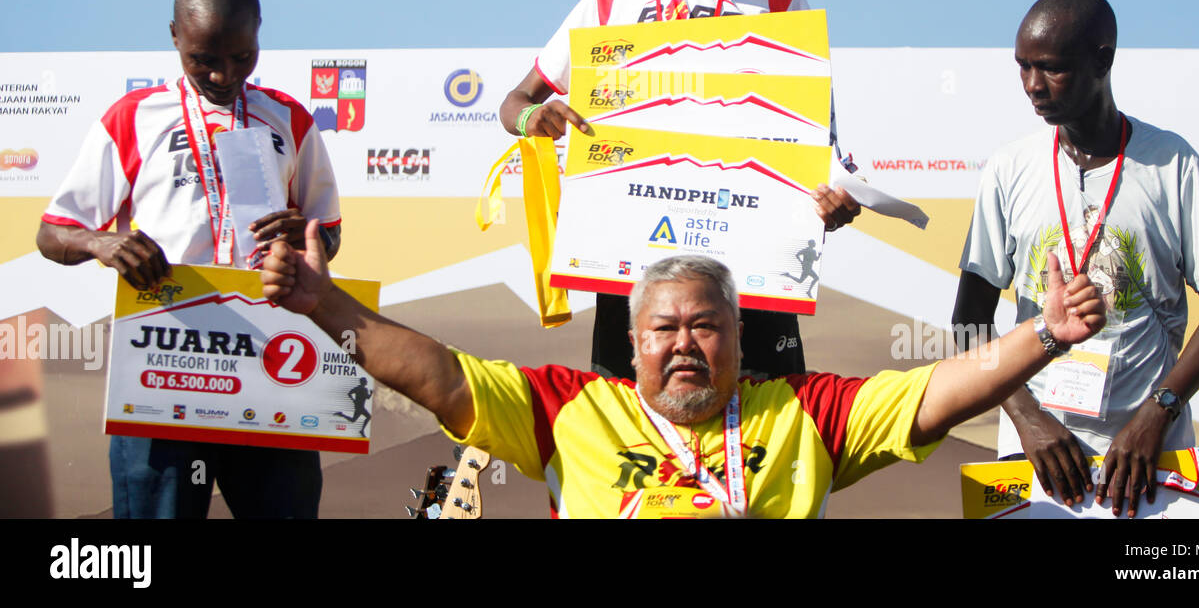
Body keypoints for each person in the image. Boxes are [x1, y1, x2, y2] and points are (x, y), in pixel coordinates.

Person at [262, 224, 1105, 518]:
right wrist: (324, 305)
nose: (685, 343)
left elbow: (935, 392)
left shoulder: (800, 412)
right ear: (633, 345)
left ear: (738, 339)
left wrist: (1046, 333)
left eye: (706, 325)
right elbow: (437, 376)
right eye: (664, 328)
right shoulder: (571, 410)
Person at [498, 0, 860, 380]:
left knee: (765, 433)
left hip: (751, 272)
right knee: (633, 436)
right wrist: (534, 119)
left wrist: (835, 196)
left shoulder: (780, 2)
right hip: (632, 268)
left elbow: (818, 140)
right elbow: (516, 101)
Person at [36, 0, 343, 518]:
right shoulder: (133, 118)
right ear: (175, 36)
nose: (224, 75)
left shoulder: (290, 119)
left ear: (258, 37)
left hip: (271, 361)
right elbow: (53, 231)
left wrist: (307, 233)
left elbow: (329, 230)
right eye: (203, 58)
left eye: (242, 56)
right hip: (165, 364)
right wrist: (102, 245)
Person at [952, 0, 1199, 518]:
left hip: (1150, 461)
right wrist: (1026, 419)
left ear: (1102, 59)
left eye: (1050, 68)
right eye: (1022, 67)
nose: (1032, 86)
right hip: (1035, 462)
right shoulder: (1009, 168)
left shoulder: (1171, 164)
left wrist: (1159, 411)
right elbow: (968, 321)